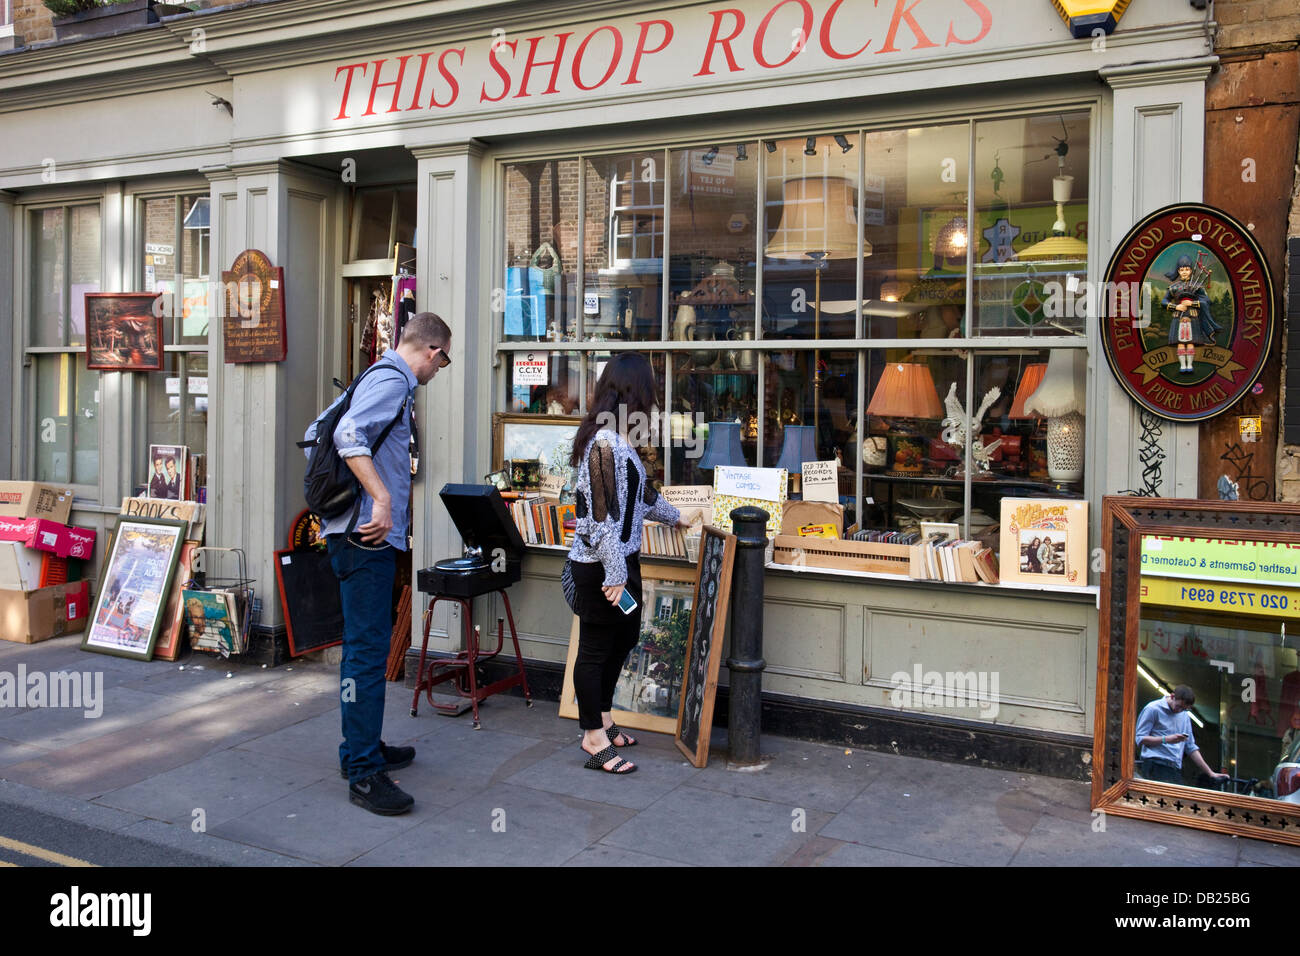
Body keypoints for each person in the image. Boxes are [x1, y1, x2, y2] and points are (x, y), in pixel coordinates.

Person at [305, 311, 451, 815]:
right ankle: (365, 773)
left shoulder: (375, 375)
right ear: (431, 350)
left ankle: (359, 750)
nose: (439, 370)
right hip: (366, 537)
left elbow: (316, 428)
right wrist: (382, 500)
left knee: (362, 650)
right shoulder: (393, 381)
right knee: (367, 654)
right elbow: (347, 436)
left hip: (353, 536)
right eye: (443, 360)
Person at [562, 353, 689, 774]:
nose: (653, 398)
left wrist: (677, 517)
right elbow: (596, 519)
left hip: (622, 562)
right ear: (634, 391)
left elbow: (640, 498)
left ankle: (604, 717)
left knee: (625, 635)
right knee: (597, 647)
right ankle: (592, 737)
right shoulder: (603, 443)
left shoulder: (618, 441)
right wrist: (615, 573)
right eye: (649, 388)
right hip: (602, 566)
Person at [1135, 685, 1230, 787]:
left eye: (1184, 709)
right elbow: (1140, 738)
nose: (1179, 710)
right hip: (1155, 764)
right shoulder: (1153, 709)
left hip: (1175, 767)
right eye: (1179, 706)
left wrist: (1210, 773)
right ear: (1172, 696)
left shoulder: (1184, 715)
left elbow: (1190, 747)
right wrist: (1166, 739)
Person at [1162, 255, 1220, 373]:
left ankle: (1190, 365)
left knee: (1191, 343)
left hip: (1193, 317)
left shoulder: (1198, 286)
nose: (1184, 272)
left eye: (1187, 269)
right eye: (1182, 270)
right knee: (1180, 344)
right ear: (1178, 271)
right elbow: (1164, 302)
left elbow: (1207, 301)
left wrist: (1192, 303)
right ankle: (1183, 366)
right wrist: (1176, 306)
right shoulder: (1174, 287)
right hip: (1178, 317)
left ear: (1191, 270)